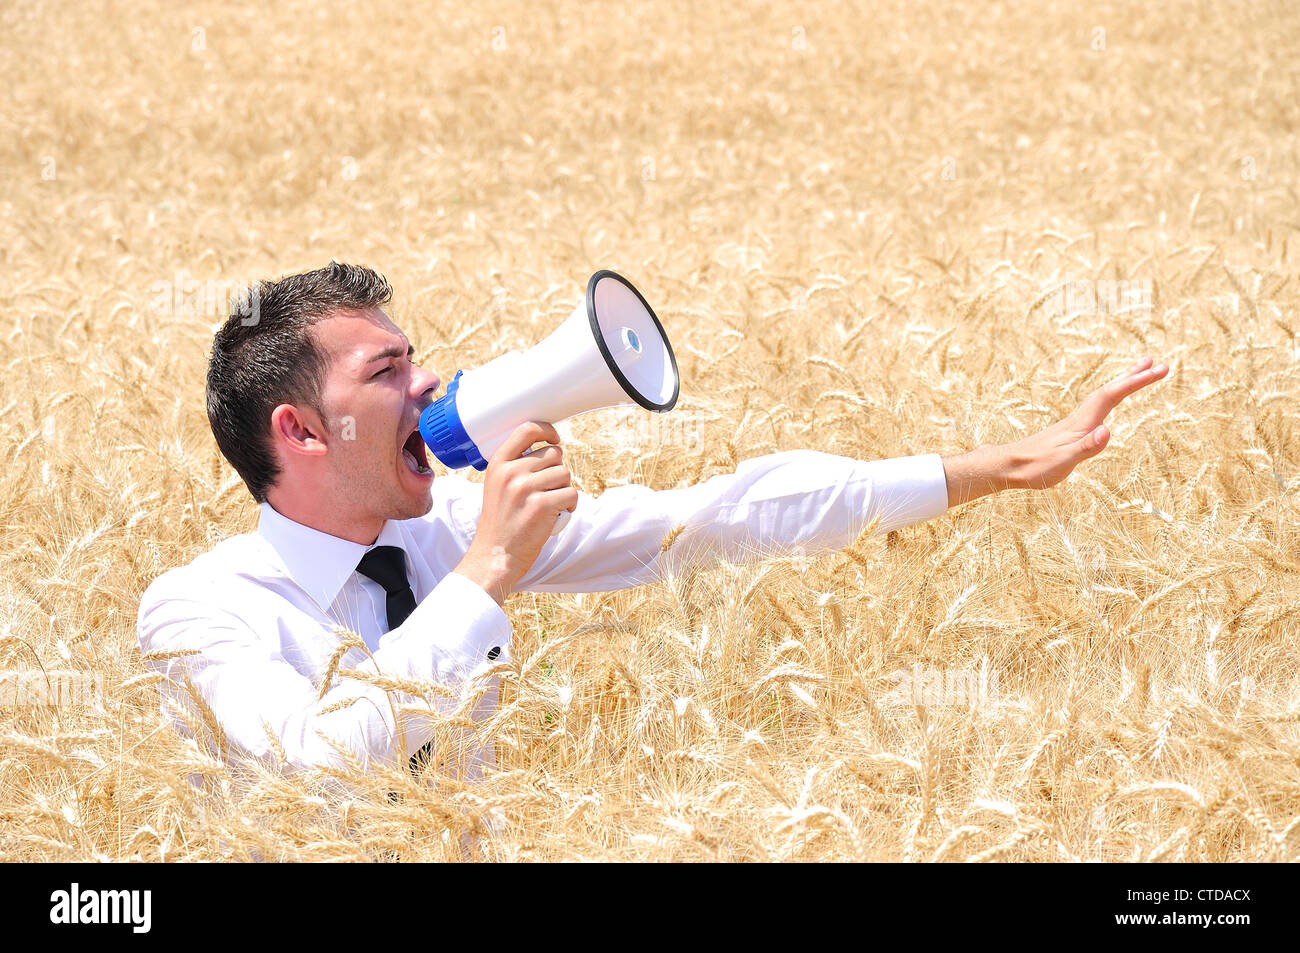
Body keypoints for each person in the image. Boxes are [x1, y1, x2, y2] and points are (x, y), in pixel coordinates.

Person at [137, 262, 1169, 784]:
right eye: (388, 370)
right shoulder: (199, 609)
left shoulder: (443, 534)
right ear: (300, 430)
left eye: (416, 355)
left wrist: (997, 464)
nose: (432, 380)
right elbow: (315, 765)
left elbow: (715, 521)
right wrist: (490, 564)